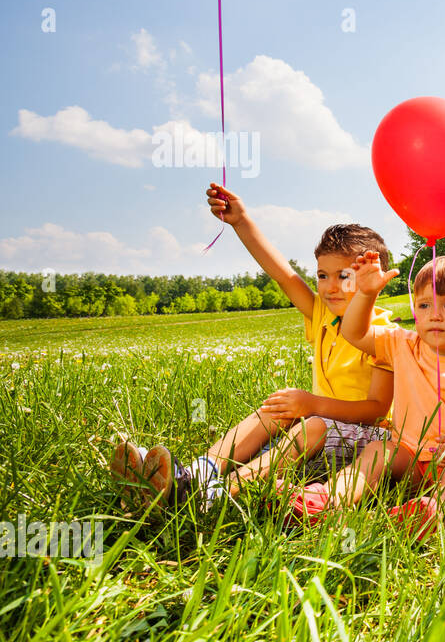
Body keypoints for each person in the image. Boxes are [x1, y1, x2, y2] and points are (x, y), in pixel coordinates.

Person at [111, 183, 394, 511]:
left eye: (344, 276)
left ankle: (218, 494)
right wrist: (241, 221)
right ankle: (198, 474)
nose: (330, 287)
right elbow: (284, 275)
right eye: (322, 275)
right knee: (274, 410)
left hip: (368, 440)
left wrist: (312, 404)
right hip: (320, 428)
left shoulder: (383, 335)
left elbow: (376, 409)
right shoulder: (323, 315)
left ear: (375, 277)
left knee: (310, 423)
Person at [282, 251, 445, 536]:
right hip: (406, 455)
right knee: (377, 452)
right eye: (424, 305)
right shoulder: (402, 344)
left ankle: (434, 509)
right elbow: (353, 333)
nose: (434, 314)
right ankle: (326, 499)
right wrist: (366, 293)